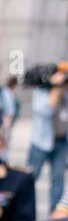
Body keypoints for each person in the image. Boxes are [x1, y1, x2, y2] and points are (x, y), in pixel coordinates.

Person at [28, 69, 68, 213]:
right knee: (31, 177)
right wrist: (56, 89)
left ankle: (54, 214)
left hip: (61, 143)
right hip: (41, 142)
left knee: (58, 180)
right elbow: (45, 111)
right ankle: (25, 207)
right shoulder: (42, 92)